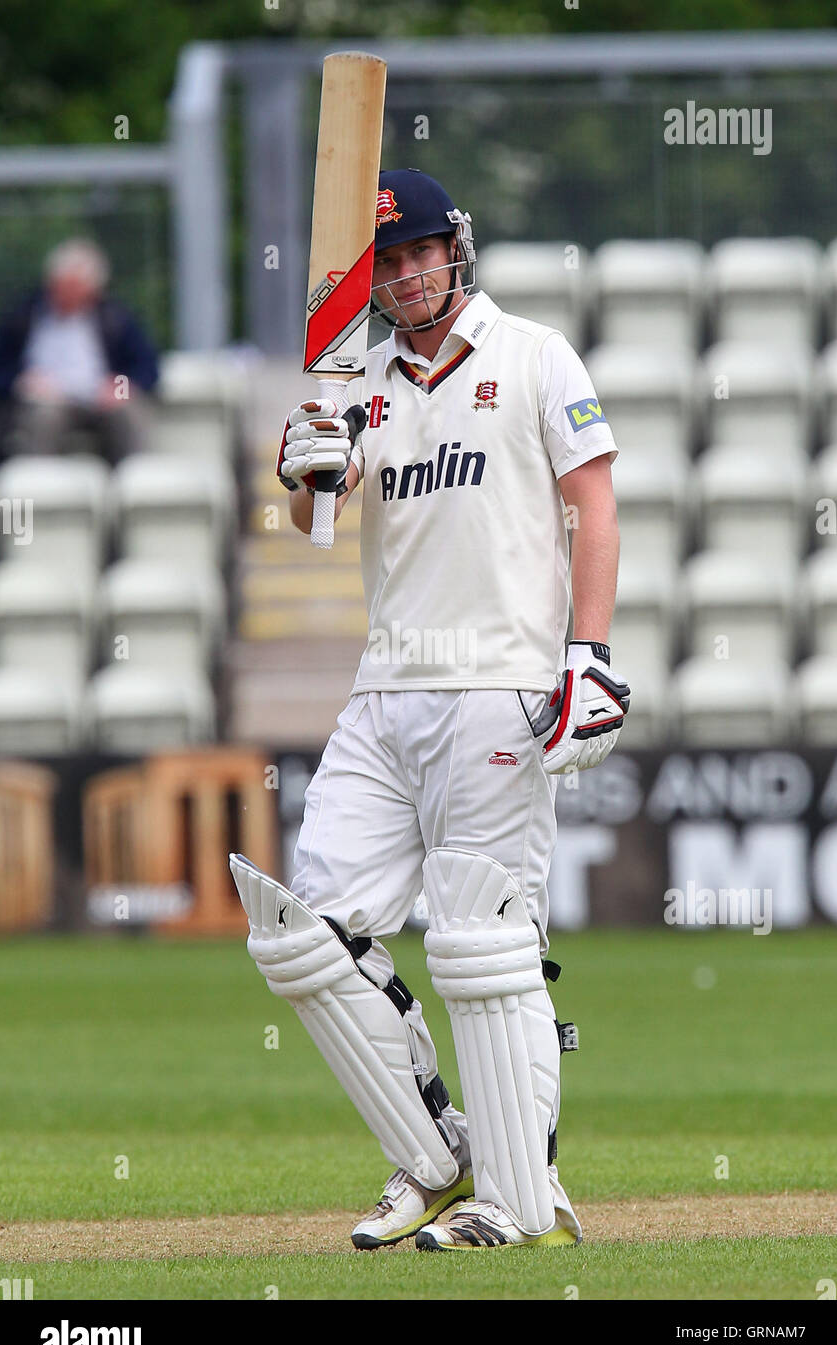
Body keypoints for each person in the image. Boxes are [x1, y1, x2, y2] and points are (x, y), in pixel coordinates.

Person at [229, 168, 629, 1252]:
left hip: (499, 682)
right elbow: (315, 515)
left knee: (483, 945)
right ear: (369, 280)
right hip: (384, 688)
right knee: (305, 934)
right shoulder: (353, 382)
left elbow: (591, 507)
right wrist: (306, 466)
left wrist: (583, 656)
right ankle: (436, 1155)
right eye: (388, 264)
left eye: (420, 255)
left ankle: (522, 1201)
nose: (408, 278)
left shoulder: (534, 355)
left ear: (454, 248)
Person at [0, 238, 159, 464]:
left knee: (128, 409)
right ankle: (38, 487)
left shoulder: (116, 318)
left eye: (78, 288)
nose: (69, 295)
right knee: (43, 415)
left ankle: (135, 484)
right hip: (46, 399)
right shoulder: (23, 316)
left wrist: (119, 385)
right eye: (64, 286)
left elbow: (148, 366)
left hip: (100, 396)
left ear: (94, 289)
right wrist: (21, 381)